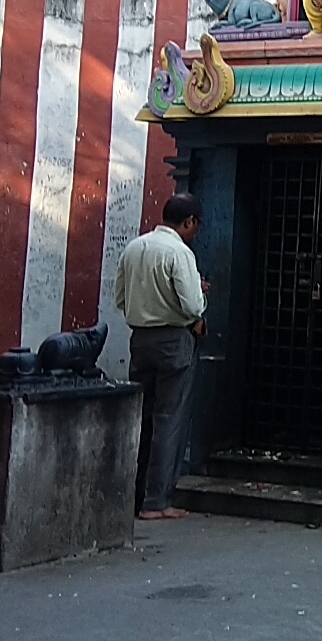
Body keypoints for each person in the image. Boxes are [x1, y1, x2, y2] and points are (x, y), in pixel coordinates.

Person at [114, 193, 208, 520]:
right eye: (196, 225)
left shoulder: (134, 248)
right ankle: (157, 501)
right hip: (174, 341)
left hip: (140, 340)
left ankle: (134, 495)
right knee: (169, 420)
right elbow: (193, 306)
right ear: (189, 222)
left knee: (144, 418)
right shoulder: (179, 253)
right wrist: (197, 292)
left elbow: (121, 299)